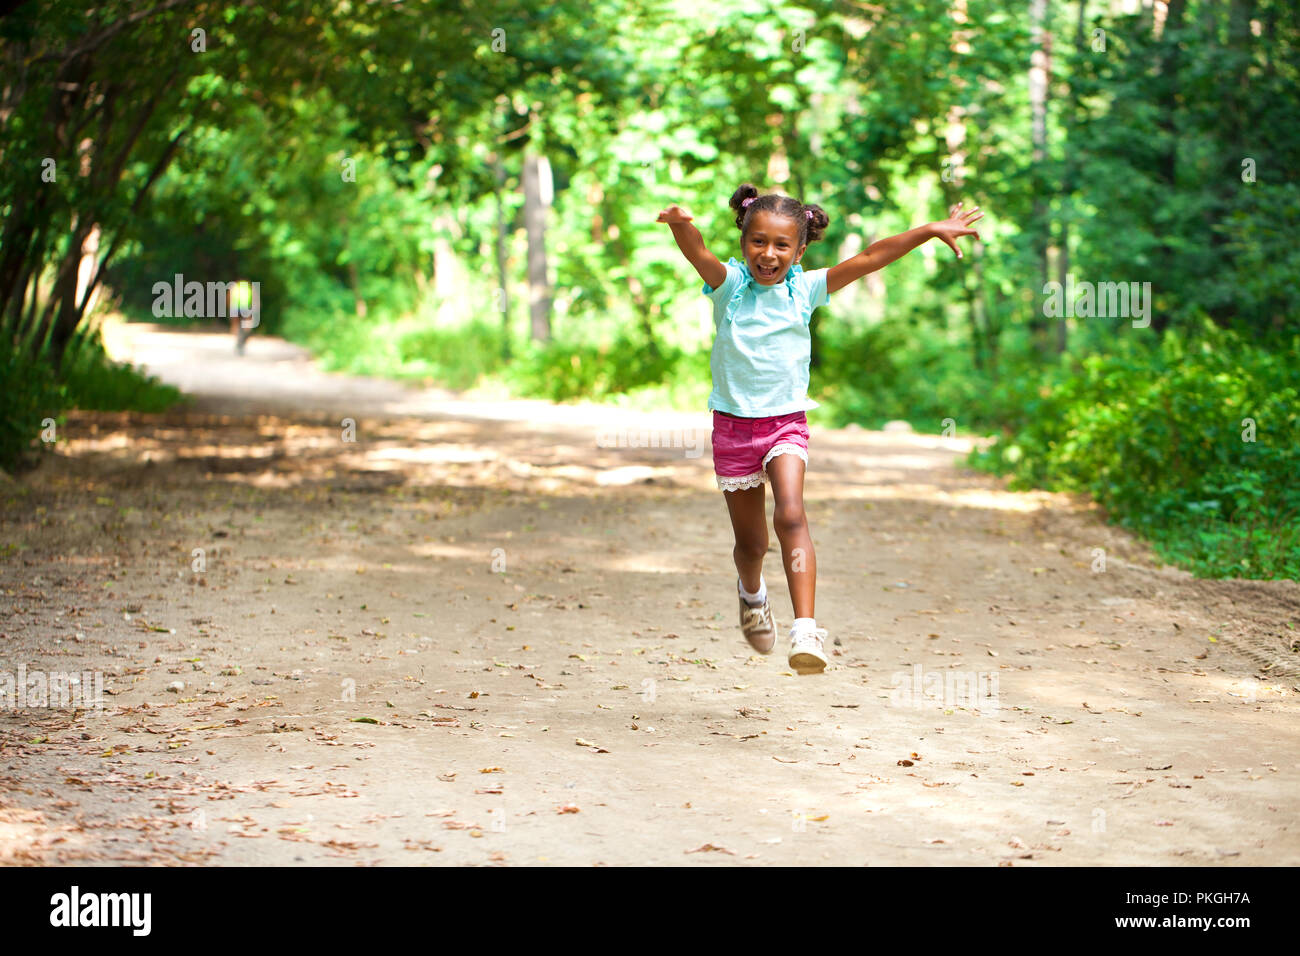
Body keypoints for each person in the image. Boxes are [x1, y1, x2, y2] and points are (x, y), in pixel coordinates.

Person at [658, 184, 981, 673]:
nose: (769, 254)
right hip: (733, 430)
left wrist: (930, 230)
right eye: (757, 242)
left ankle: (805, 632)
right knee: (752, 545)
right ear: (743, 242)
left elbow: (872, 257)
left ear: (801, 249)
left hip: (785, 425)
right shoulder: (730, 286)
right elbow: (698, 252)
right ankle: (752, 595)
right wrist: (683, 225)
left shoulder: (805, 289)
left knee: (791, 515)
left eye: (782, 245)